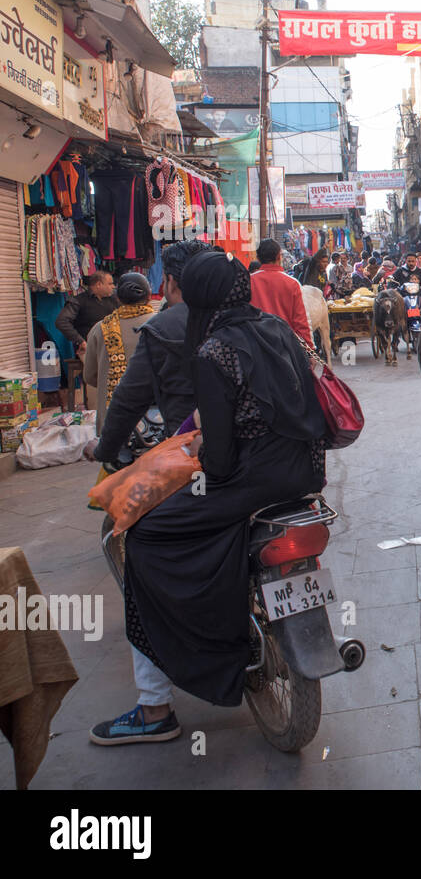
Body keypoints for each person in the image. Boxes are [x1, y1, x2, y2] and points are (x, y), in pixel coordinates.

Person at [91, 252, 328, 747]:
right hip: (305, 475)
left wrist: (202, 442)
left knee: (145, 536)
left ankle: (180, 674)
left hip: (249, 483)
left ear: (192, 295)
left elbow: (218, 464)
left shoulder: (213, 351)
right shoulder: (277, 329)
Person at [93, 241, 209, 460]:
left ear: (171, 282)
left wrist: (104, 451)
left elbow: (129, 400)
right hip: (260, 458)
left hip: (187, 449)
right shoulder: (256, 320)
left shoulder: (159, 328)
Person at [82, 274, 155, 430]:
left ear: (118, 299)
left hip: (111, 423)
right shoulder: (162, 324)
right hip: (155, 419)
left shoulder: (100, 328)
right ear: (149, 296)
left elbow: (90, 375)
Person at [249, 239, 312, 343]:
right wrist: (309, 349)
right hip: (285, 346)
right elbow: (301, 323)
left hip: (256, 345)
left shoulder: (248, 281)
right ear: (279, 256)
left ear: (258, 258)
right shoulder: (292, 283)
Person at [56, 271, 119, 360]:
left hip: (113, 348)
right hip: (89, 350)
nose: (113, 286)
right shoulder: (78, 301)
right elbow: (62, 321)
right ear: (99, 284)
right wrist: (80, 341)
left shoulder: (114, 300)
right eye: (110, 284)